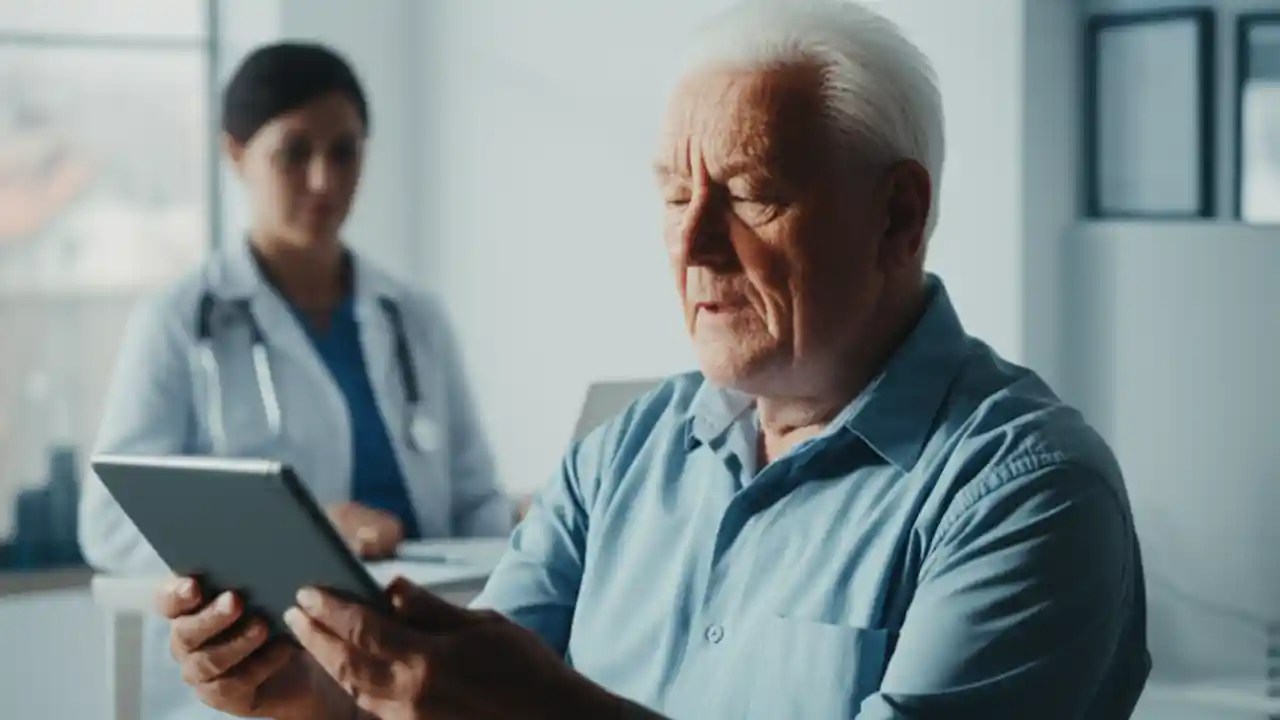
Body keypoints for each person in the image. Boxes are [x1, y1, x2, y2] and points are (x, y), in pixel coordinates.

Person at [155, 2, 1151, 718]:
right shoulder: (618, 456)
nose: (691, 246)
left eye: (750, 192)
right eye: (676, 195)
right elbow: (455, 697)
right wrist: (312, 695)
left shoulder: (1025, 495)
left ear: (897, 215)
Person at [80, 42, 512, 718]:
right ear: (235, 154)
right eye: (293, 152)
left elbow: (479, 506)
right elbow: (109, 522)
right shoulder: (179, 320)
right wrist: (303, 529)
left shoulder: (415, 319)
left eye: (344, 152)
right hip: (272, 670)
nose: (323, 180)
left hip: (414, 657)